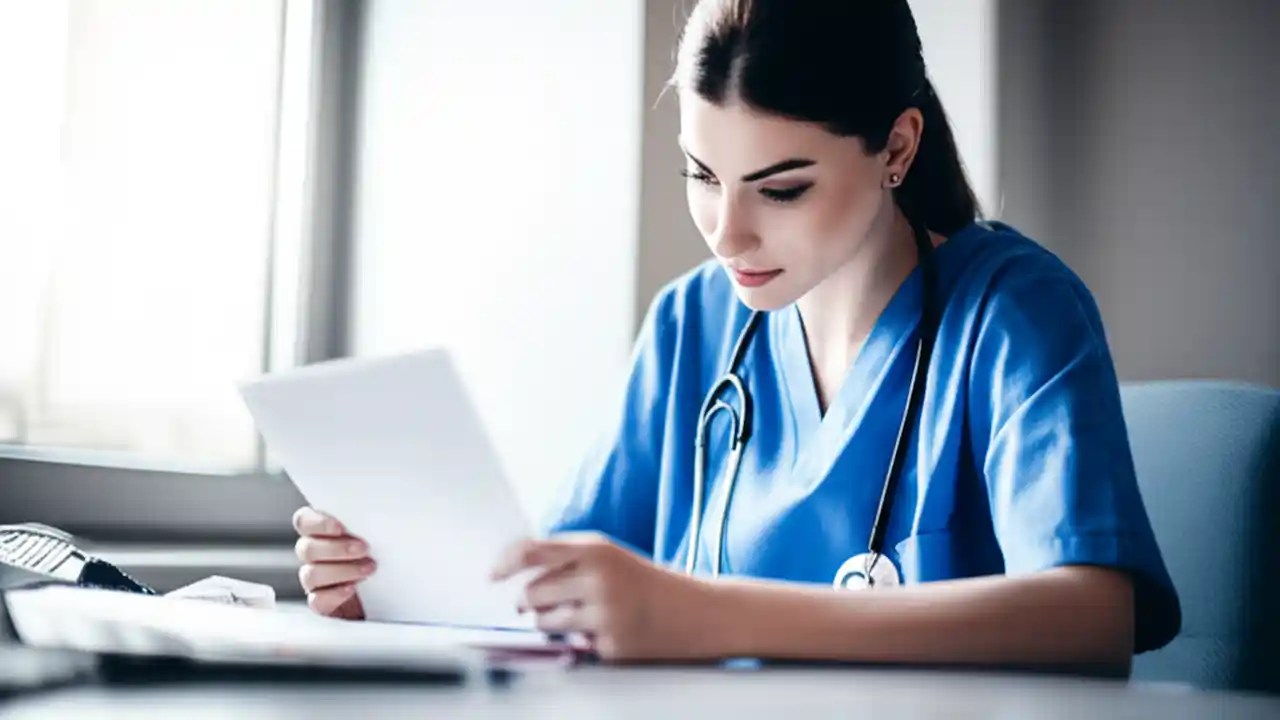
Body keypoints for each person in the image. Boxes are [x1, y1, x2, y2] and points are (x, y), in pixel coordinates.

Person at [292, 0, 1180, 670]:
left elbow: (1093, 622)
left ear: (897, 149)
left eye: (781, 188)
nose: (726, 232)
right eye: (702, 175)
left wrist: (706, 615)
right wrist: (390, 585)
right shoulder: (690, 326)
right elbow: (545, 600)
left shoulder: (1016, 313)